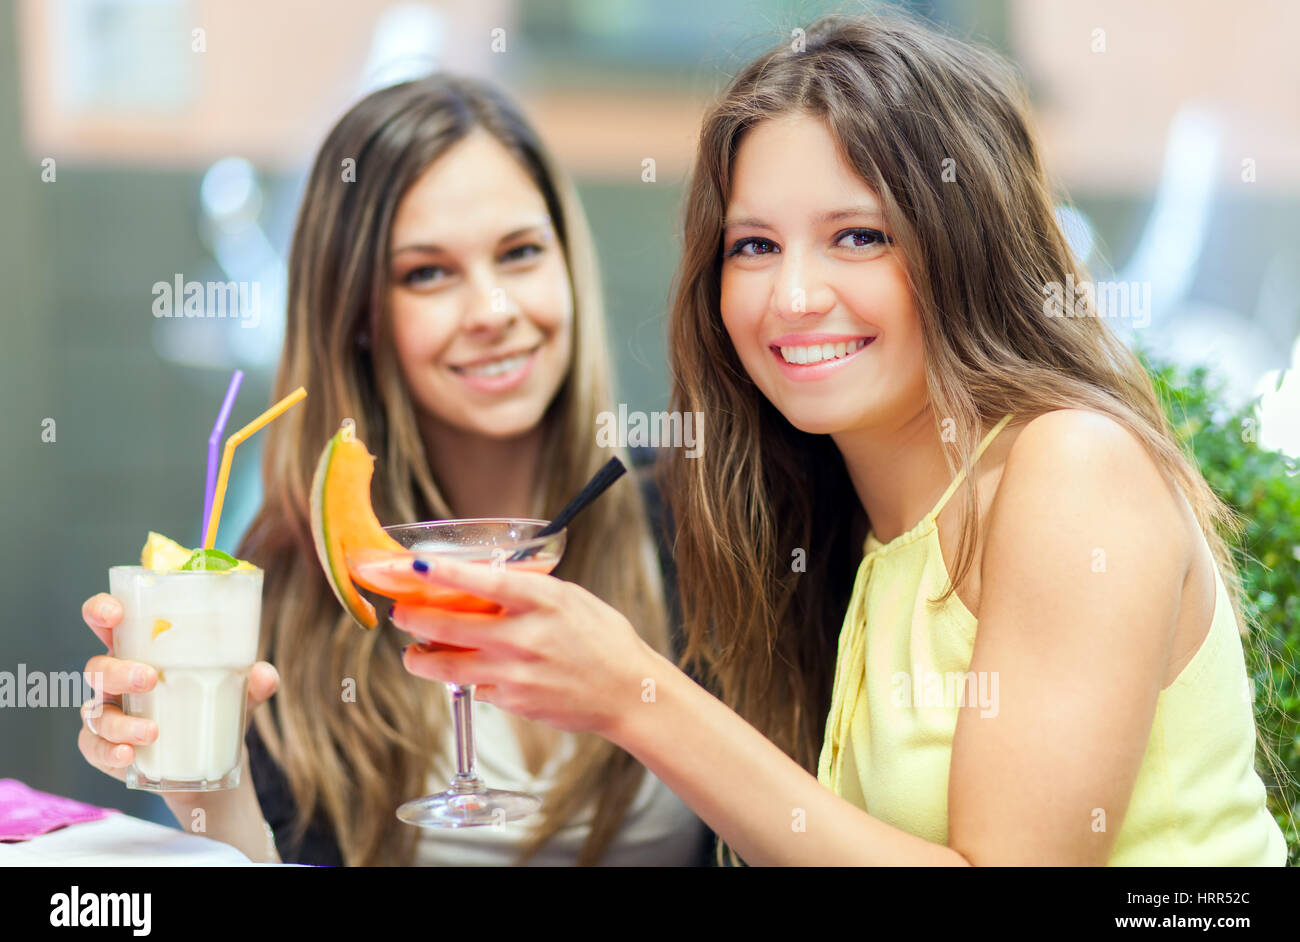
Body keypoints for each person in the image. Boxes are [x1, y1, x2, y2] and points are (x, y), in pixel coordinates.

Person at [383, 14, 1291, 865]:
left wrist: (634, 694)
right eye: (753, 246)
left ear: (966, 247)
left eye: (858, 236)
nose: (794, 297)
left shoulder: (1071, 468)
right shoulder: (845, 523)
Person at [78, 74, 713, 866]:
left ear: (568, 263)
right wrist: (211, 790)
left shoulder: (696, 526)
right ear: (358, 319)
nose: (492, 311)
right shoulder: (289, 592)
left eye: (520, 254)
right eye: (427, 273)